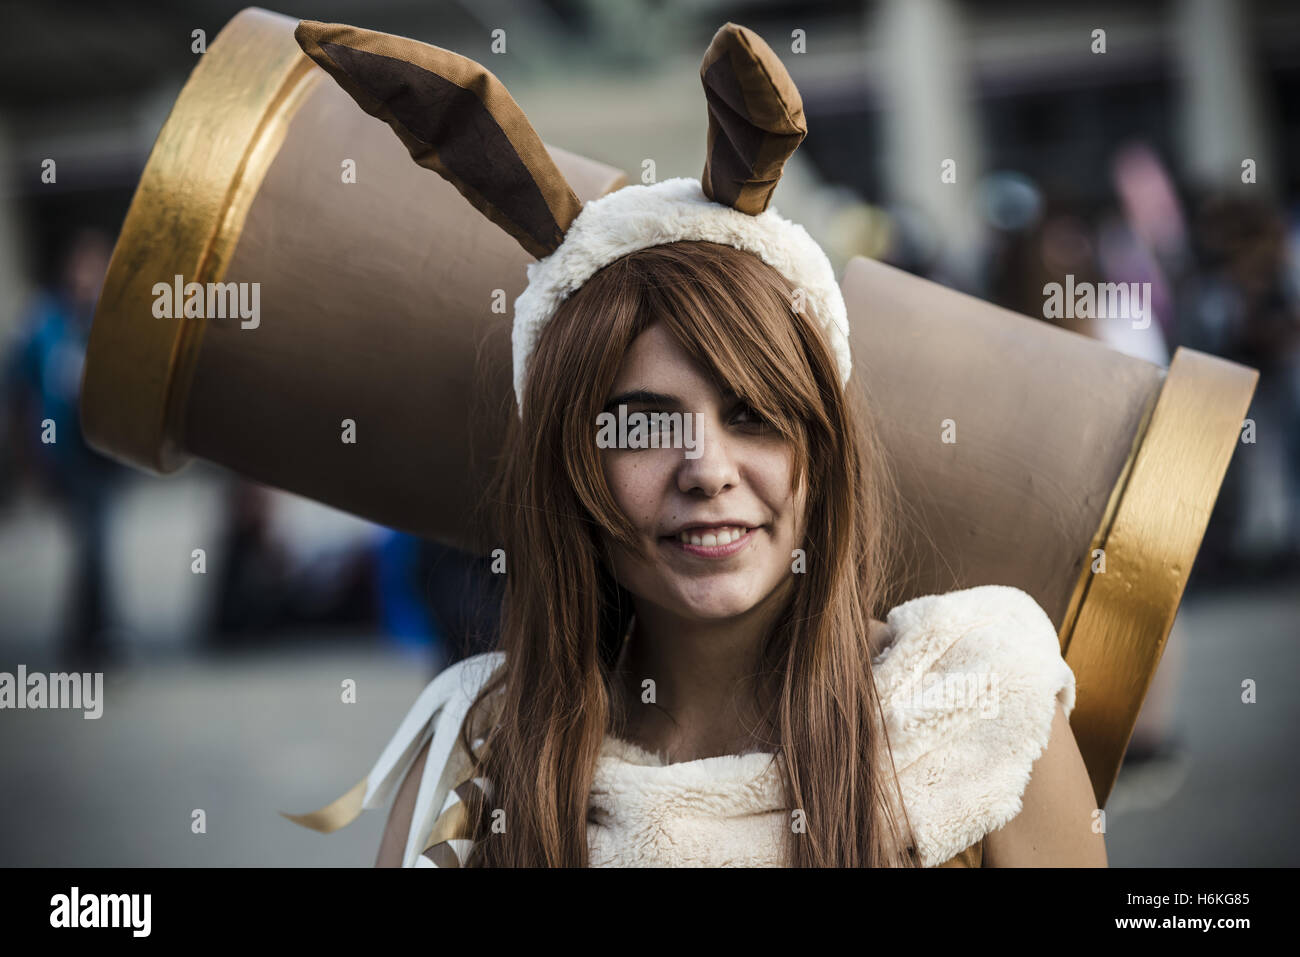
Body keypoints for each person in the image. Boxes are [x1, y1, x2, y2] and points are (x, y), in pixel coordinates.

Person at [282, 19, 1104, 868]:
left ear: (820, 449)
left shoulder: (980, 708)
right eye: (643, 424)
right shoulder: (473, 760)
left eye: (754, 414)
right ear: (570, 468)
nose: (708, 471)